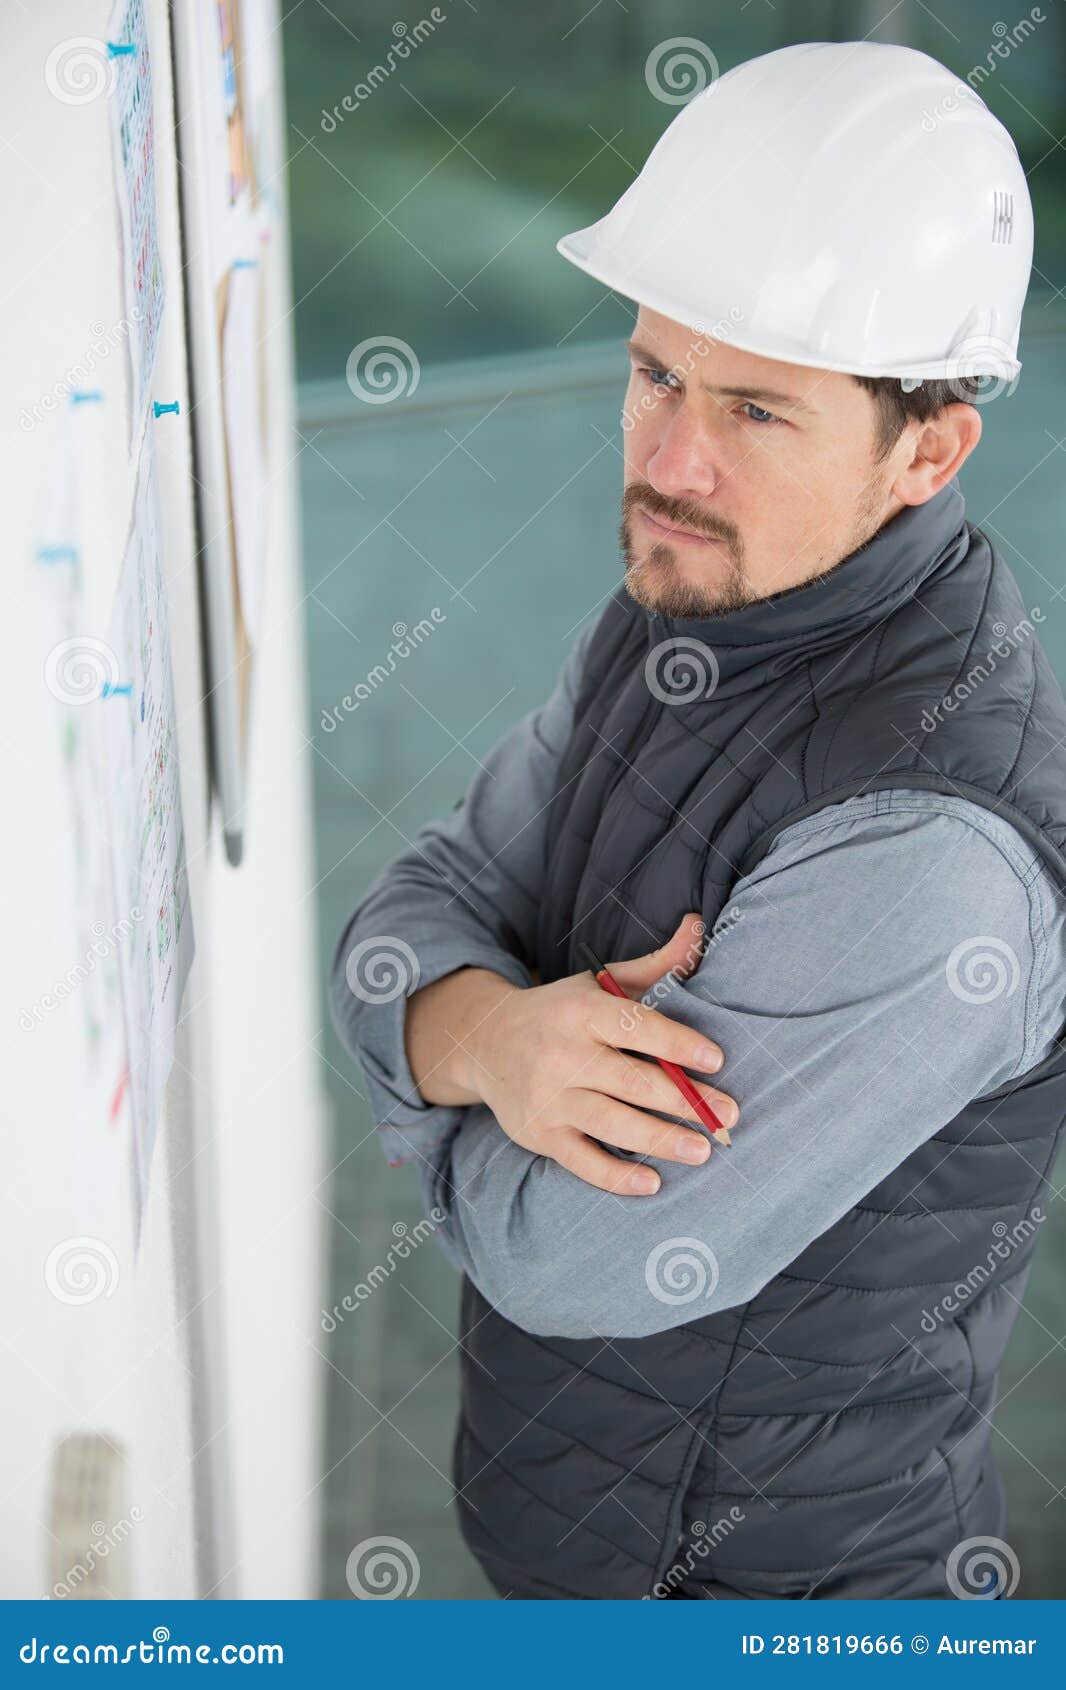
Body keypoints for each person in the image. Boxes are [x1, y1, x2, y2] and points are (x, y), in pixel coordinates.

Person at [330, 41, 1066, 1600]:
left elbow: (564, 1252)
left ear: (926, 452)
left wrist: (418, 1067)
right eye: (654, 372)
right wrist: (491, 1048)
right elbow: (428, 889)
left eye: (754, 410)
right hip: (584, 1544)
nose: (669, 463)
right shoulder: (690, 606)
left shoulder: (929, 849)